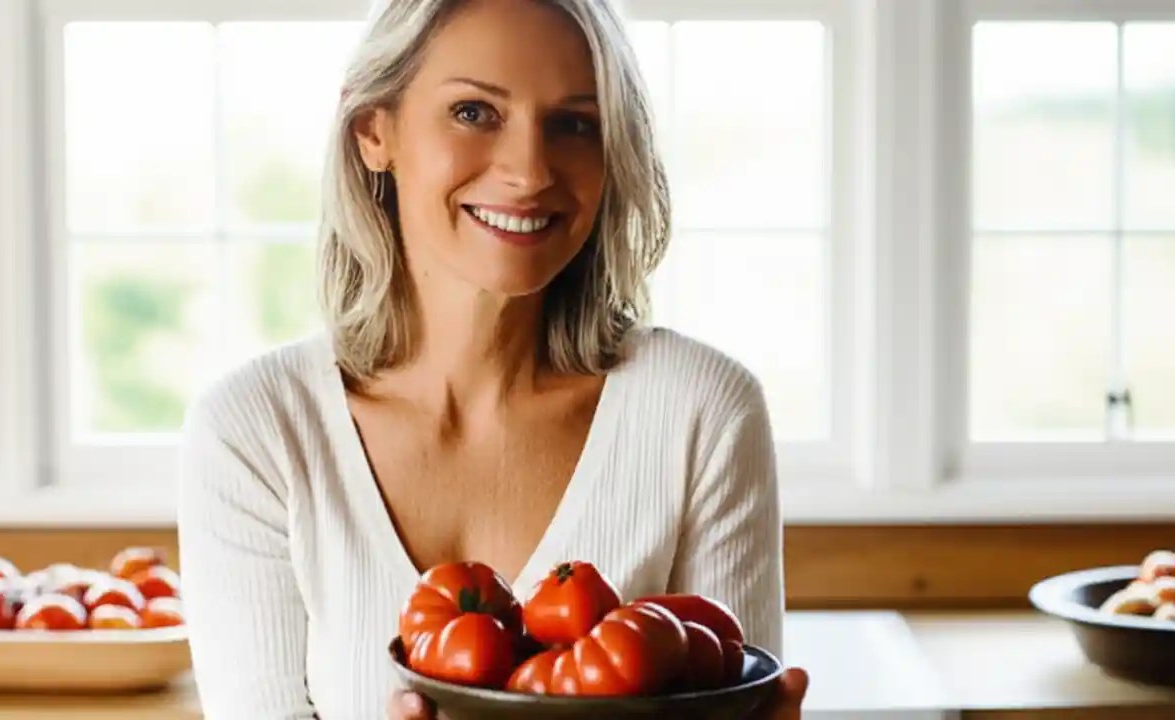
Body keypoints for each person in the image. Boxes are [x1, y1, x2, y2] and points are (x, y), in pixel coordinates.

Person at [176, 0, 810, 717]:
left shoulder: (704, 411)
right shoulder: (255, 431)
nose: (530, 171)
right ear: (372, 129)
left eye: (575, 123)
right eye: (475, 113)